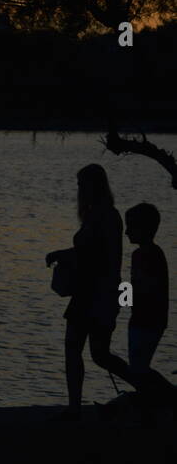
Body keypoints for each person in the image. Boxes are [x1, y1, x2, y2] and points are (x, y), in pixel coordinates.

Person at [45, 164, 137, 419]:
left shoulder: (104, 216)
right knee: (90, 351)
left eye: (81, 184)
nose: (78, 189)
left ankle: (144, 385)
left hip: (96, 293)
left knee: (92, 352)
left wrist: (60, 254)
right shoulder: (100, 214)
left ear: (91, 186)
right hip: (94, 292)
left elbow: (93, 256)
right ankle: (141, 386)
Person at [124, 202, 172, 405]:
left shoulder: (150, 255)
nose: (126, 232)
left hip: (149, 319)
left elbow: (144, 287)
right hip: (140, 318)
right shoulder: (142, 254)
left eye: (131, 227)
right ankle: (151, 399)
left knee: (139, 367)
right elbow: (133, 288)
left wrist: (121, 293)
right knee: (138, 365)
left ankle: (167, 395)